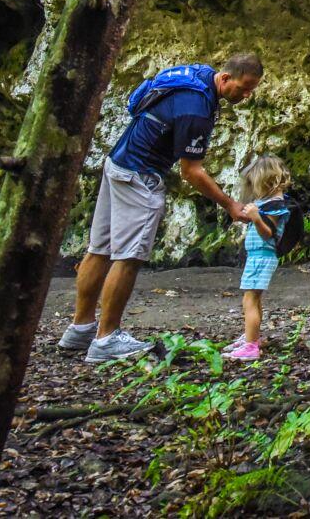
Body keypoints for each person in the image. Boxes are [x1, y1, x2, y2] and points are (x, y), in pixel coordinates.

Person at [61, 54, 265, 364]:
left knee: (99, 249)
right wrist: (230, 205)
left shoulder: (196, 74)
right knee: (128, 256)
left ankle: (80, 328)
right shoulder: (197, 109)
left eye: (252, 90)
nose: (247, 95)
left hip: (117, 163)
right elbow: (191, 171)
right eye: (244, 87)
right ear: (225, 78)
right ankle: (106, 339)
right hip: (140, 175)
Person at [226, 155, 292, 362]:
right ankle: (251, 336)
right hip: (257, 256)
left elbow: (268, 233)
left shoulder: (275, 205)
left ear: (267, 181)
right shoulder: (267, 203)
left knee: (250, 300)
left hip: (262, 256)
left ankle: (251, 346)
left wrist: (256, 217)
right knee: (253, 299)